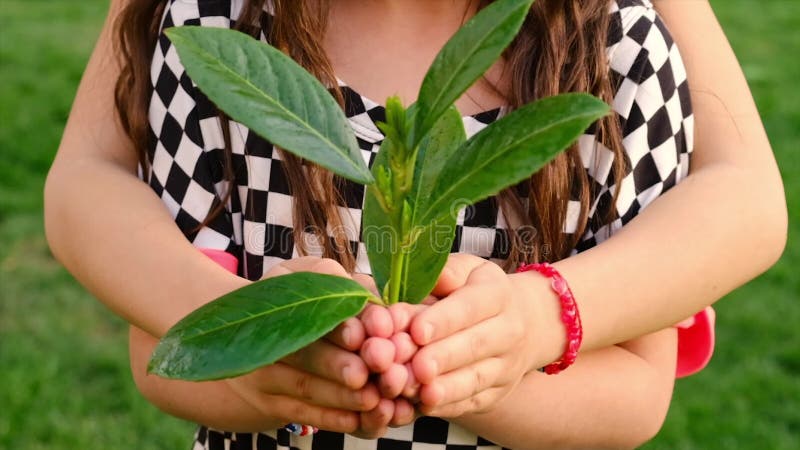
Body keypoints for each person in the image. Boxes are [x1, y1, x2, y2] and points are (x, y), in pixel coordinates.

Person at [44, 0, 787, 448]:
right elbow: (160, 346)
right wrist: (252, 338)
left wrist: (526, 330)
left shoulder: (614, 56)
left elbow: (638, 389)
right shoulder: (211, 32)